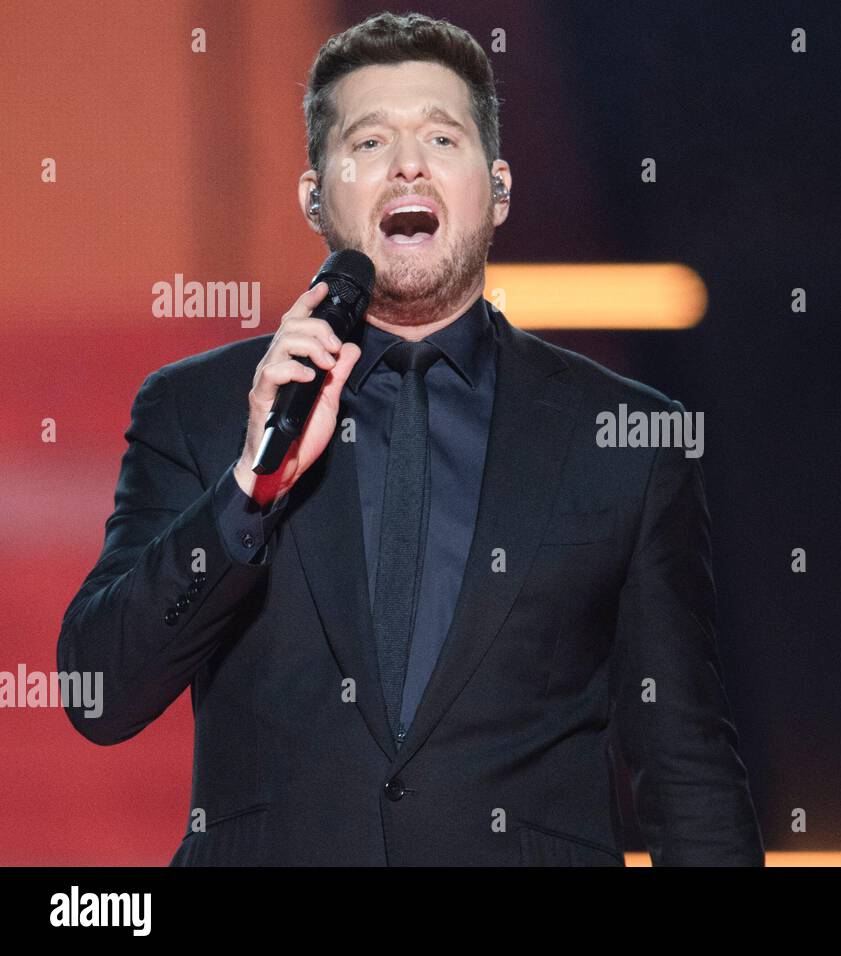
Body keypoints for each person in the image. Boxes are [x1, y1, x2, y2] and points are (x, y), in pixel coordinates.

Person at [57, 11, 763, 866]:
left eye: (441, 136)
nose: (407, 164)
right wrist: (248, 484)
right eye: (368, 143)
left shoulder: (623, 437)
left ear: (499, 190)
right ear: (314, 196)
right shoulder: (199, 409)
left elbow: (687, 775)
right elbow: (100, 695)